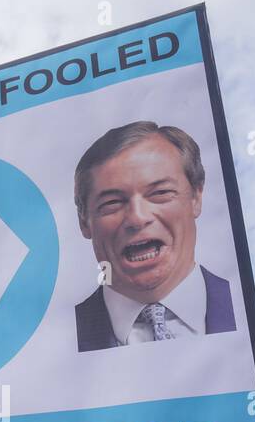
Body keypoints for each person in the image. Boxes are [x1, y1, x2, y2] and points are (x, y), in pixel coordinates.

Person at [73, 121, 235, 352]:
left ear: (196, 197)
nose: (137, 218)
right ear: (83, 221)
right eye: (112, 203)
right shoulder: (56, 336)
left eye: (160, 193)